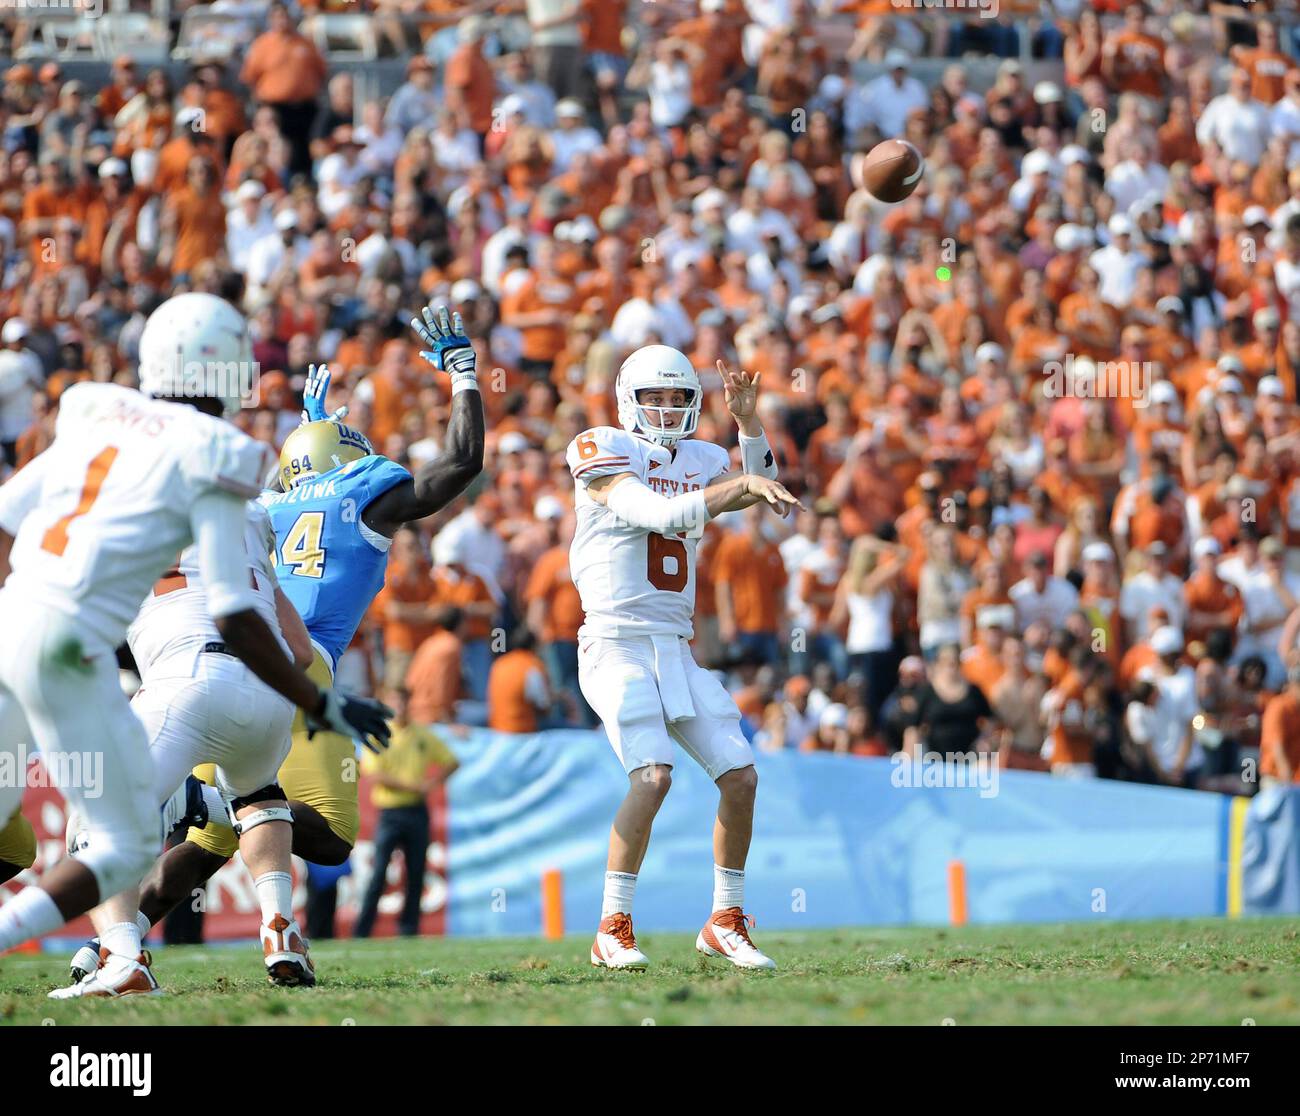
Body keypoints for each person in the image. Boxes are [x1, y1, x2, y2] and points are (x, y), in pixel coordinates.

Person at [0, 293, 391, 976]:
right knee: (157, 822)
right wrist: (322, 701)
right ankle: (225, 929)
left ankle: (122, 957)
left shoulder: (94, 416)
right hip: (191, 681)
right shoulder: (223, 461)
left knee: (73, 839)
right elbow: (253, 620)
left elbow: (9, 519)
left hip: (50, 636)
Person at [122, 307, 484, 946]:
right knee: (330, 838)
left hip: (236, 655)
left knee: (213, 838)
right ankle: (216, 823)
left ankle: (111, 942)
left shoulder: (261, 502)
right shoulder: (359, 490)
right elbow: (459, 464)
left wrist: (319, 431)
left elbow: (308, 491)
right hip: (305, 662)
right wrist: (463, 375)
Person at [569, 346, 798, 971]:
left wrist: (749, 426)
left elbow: (756, 490)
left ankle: (726, 918)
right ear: (627, 400)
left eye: (678, 398)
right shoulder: (600, 449)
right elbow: (661, 512)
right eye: (654, 398)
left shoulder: (703, 459)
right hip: (614, 644)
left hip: (675, 647)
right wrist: (744, 483)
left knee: (741, 775)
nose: (667, 410)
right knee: (653, 775)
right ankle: (612, 927)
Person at [61, 501, 318, 995]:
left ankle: (122, 956)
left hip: (183, 678)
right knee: (258, 796)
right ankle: (281, 931)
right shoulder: (249, 513)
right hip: (269, 687)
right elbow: (301, 652)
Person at [353, 689, 459, 938]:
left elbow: (452, 761)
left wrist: (432, 784)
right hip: (390, 811)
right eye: (394, 702)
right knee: (379, 872)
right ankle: (363, 930)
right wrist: (418, 786)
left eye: (403, 701)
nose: (400, 707)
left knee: (416, 872)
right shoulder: (380, 734)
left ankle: (409, 929)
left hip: (416, 811)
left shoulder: (421, 734)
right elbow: (375, 775)